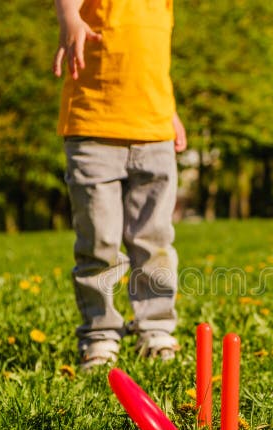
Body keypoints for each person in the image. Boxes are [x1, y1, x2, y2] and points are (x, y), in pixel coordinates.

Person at [53, 0, 186, 370]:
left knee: (155, 239)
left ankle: (156, 328)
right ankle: (100, 335)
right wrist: (69, 19)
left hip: (154, 130)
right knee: (99, 242)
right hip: (93, 129)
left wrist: (168, 111)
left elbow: (148, 61)